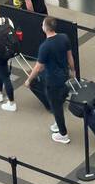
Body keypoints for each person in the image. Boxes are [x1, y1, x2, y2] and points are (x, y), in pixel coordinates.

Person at [24, 15, 75, 144]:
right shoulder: (64, 38)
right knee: (59, 99)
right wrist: (73, 70)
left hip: (53, 80)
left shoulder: (45, 47)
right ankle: (58, 124)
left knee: (56, 107)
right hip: (64, 75)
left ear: (45, 28)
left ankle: (63, 134)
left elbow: (38, 67)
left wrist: (29, 80)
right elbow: (70, 56)